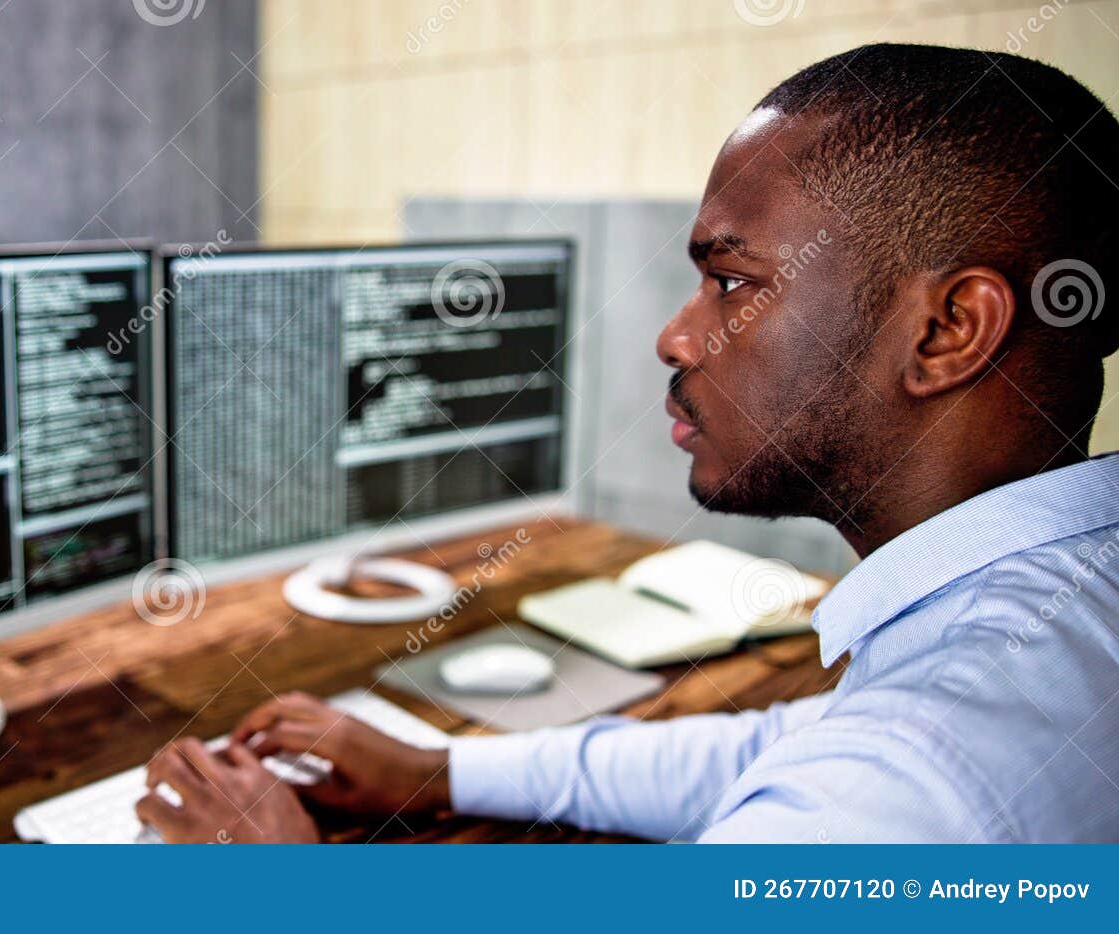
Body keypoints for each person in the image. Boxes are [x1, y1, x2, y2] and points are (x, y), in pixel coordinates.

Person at [134, 43, 1119, 844]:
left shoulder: (901, 794)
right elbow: (781, 749)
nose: (676, 336)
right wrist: (435, 769)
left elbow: (852, 779)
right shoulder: (1045, 616)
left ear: (947, 331)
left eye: (731, 282)